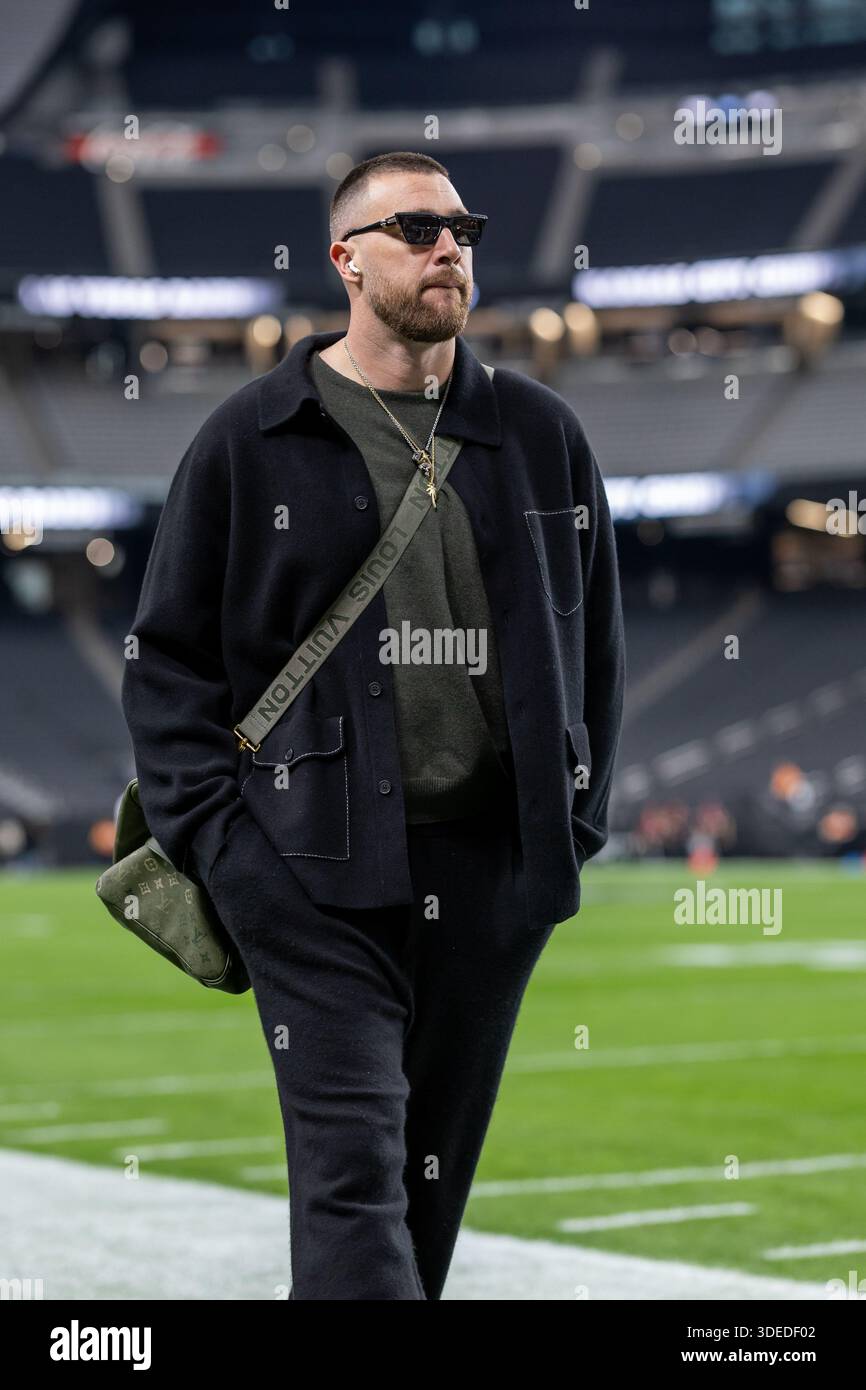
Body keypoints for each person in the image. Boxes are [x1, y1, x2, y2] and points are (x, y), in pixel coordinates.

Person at [121, 150, 625, 1300]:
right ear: (346, 260)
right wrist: (233, 858)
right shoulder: (252, 441)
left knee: (422, 1191)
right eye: (415, 227)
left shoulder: (541, 433)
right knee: (352, 1176)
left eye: (462, 227)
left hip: (490, 878)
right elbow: (166, 666)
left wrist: (569, 824)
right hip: (308, 870)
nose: (448, 246)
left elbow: (593, 648)